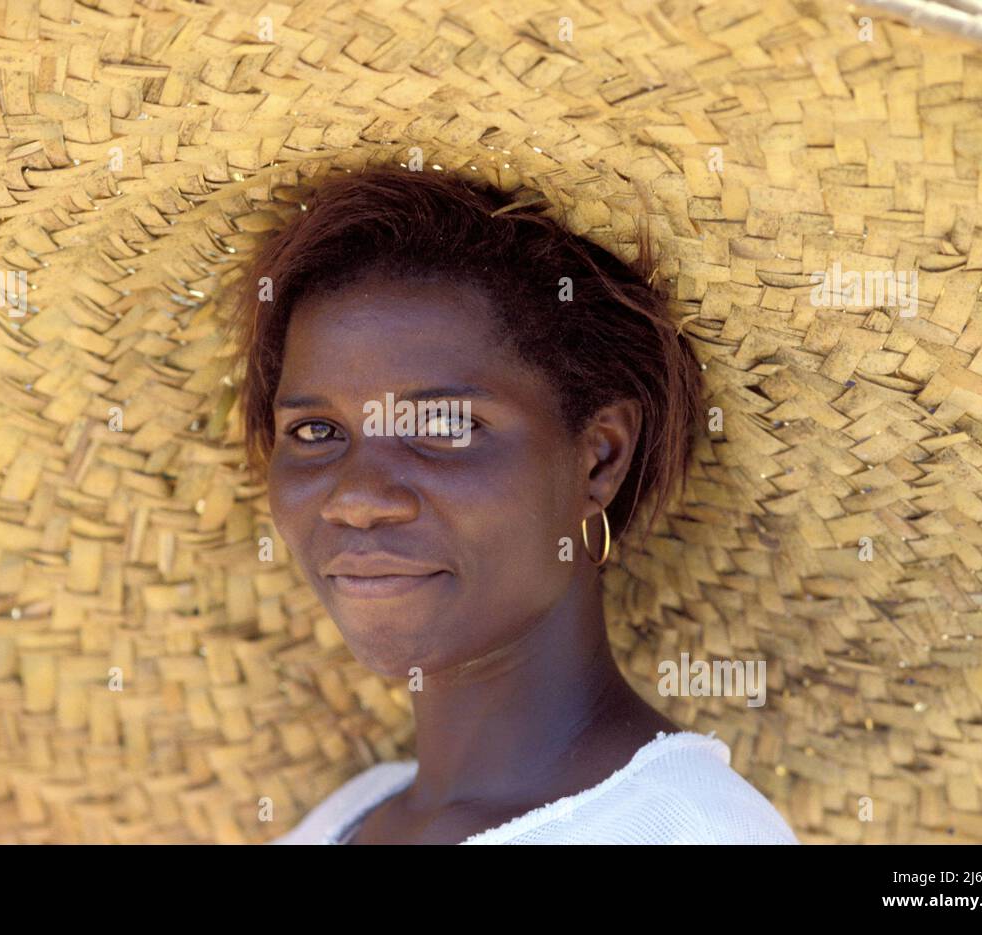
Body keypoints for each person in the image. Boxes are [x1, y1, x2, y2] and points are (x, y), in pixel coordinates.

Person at [232, 165, 798, 844]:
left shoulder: (689, 830)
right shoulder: (340, 821)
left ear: (600, 457)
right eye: (316, 431)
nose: (356, 498)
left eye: (443, 426)